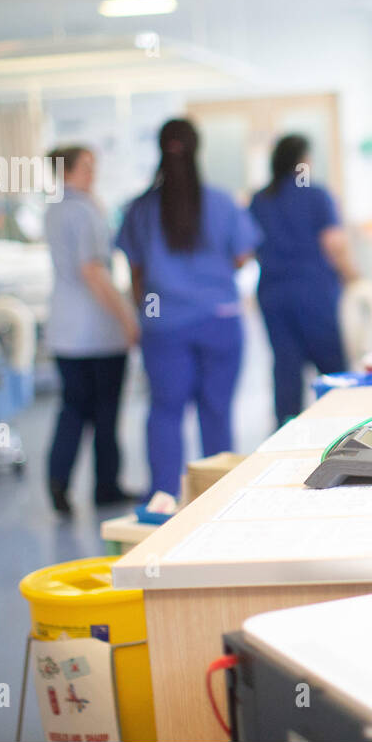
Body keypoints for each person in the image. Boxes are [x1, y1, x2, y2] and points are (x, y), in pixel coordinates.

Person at [115, 119, 261, 499]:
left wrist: (147, 314)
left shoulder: (140, 210)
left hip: (164, 324)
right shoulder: (223, 202)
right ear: (198, 149)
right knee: (217, 412)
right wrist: (211, 276)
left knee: (165, 412)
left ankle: (163, 498)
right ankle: (218, 496)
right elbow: (243, 256)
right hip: (220, 319)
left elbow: (136, 272)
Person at [43, 147, 139, 515]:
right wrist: (127, 317)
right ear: (69, 169)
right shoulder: (86, 211)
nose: (94, 170)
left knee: (72, 408)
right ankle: (106, 487)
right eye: (87, 164)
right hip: (97, 332)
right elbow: (93, 271)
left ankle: (58, 480)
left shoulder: (54, 209)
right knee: (105, 411)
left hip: (65, 332)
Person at [248, 135, 357, 426]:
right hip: (314, 293)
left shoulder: (260, 200)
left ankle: (288, 436)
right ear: (304, 161)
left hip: (274, 295)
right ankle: (341, 431)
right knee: (332, 370)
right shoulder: (317, 195)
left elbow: (247, 249)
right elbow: (333, 244)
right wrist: (355, 278)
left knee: (286, 370)